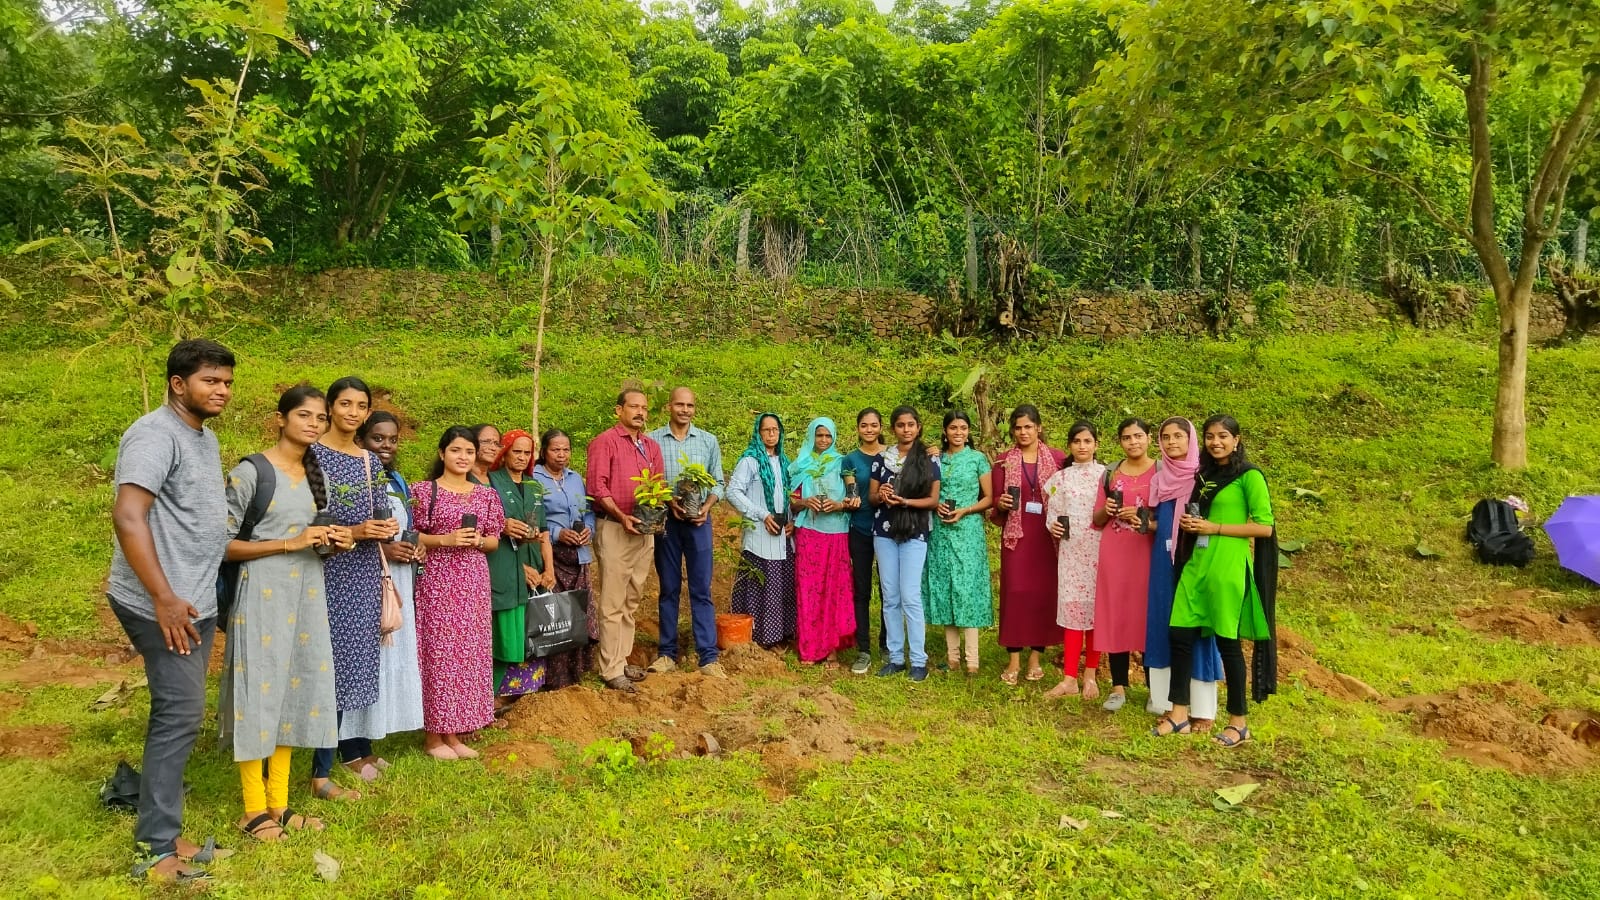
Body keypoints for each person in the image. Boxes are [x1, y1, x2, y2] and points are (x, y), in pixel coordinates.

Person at [108, 339, 236, 882]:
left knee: (179, 714)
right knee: (178, 714)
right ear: (178, 383)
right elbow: (129, 517)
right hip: (162, 603)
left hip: (194, 599)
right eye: (211, 381)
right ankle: (154, 851)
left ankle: (165, 832)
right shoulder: (154, 435)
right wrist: (162, 597)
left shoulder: (201, 436)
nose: (222, 391)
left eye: (227, 382)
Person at [219, 385, 344, 842]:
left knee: (296, 687)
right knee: (259, 693)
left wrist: (331, 540)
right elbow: (224, 545)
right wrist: (287, 543)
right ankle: (253, 809)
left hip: (307, 592)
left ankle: (280, 803)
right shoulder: (251, 472)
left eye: (320, 418)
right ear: (280, 418)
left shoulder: (318, 474)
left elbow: (314, 535)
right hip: (261, 593)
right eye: (304, 415)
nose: (314, 424)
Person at [1158, 415, 1278, 746]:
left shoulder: (1249, 476)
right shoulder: (1204, 474)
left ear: (1237, 439)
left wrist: (1216, 528)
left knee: (1228, 643)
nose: (1216, 442)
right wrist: (1192, 524)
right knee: (1179, 634)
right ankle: (1179, 714)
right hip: (1196, 564)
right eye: (1210, 436)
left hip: (1227, 566)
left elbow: (1264, 527)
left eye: (1223, 436)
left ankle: (1238, 723)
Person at [308, 377, 397, 800]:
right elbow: (305, 521)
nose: (353, 413)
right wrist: (357, 530)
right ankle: (316, 764)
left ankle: (327, 762)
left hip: (361, 573)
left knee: (351, 666)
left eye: (361, 406)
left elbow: (378, 513)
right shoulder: (311, 456)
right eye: (345, 404)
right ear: (329, 407)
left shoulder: (369, 462)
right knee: (321, 666)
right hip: (322, 572)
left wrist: (384, 528)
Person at [339, 411, 425, 769]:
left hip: (396, 578)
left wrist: (415, 547)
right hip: (362, 578)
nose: (386, 445)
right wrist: (383, 550)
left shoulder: (396, 481)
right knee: (359, 660)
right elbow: (343, 531)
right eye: (378, 438)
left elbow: (406, 527)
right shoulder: (353, 479)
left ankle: (366, 742)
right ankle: (346, 750)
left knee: (382, 660)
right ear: (360, 439)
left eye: (391, 439)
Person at [414, 426, 506, 758]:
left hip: (473, 581)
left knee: (467, 655)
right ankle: (433, 736)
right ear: (442, 454)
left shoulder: (485, 494)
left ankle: (455, 733)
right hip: (438, 581)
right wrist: (446, 540)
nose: (462, 457)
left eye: (468, 451)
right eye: (455, 450)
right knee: (439, 654)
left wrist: (478, 541)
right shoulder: (425, 491)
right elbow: (411, 535)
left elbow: (494, 538)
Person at [586, 389, 666, 693]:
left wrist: (654, 516)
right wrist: (622, 516)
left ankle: (621, 660)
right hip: (615, 529)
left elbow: (657, 487)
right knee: (612, 601)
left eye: (644, 408)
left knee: (631, 598)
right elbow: (597, 487)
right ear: (619, 410)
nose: (640, 412)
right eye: (634, 407)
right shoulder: (604, 442)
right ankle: (610, 669)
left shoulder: (651, 447)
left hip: (644, 532)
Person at [1144, 417, 1222, 726]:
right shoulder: (1159, 480)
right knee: (1163, 622)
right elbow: (1158, 522)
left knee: (1196, 628)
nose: (1172, 441)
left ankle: (1202, 708)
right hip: (1163, 561)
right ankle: (1167, 701)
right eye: (1166, 436)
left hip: (1195, 559)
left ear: (1191, 441)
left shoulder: (1204, 479)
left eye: (1179, 436)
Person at [648, 387, 728, 677]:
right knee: (668, 587)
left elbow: (718, 482)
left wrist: (706, 506)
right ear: (669, 406)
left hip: (699, 523)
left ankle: (708, 656)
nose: (685, 410)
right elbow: (651, 480)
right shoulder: (653, 440)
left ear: (695, 409)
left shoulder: (708, 441)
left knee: (701, 589)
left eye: (690, 405)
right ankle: (666, 653)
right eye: (679, 404)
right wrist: (669, 502)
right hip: (667, 523)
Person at [990, 405, 1066, 685]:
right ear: (1012, 431)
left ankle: (1035, 657)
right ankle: (1013, 659)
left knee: (1042, 595)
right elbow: (995, 504)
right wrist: (1000, 503)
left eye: (1028, 427)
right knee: (1016, 592)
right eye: (1018, 428)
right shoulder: (1003, 461)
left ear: (1039, 428)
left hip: (1047, 537)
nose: (1023, 432)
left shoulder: (1057, 459)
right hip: (1017, 538)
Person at [1088, 418, 1158, 709]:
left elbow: (1167, 516)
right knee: (1115, 614)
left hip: (1147, 551)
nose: (1133, 442)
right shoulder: (1110, 472)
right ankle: (1118, 687)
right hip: (1115, 551)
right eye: (1127, 437)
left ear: (1150, 438)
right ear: (1120, 442)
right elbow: (1097, 519)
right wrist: (1109, 509)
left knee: (1147, 616)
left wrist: (1144, 517)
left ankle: (1156, 689)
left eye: (1138, 436)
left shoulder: (1162, 471)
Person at [868, 406, 941, 682]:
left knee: (910, 596)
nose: (906, 429)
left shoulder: (928, 460)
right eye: (900, 425)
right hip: (884, 531)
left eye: (911, 424)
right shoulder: (880, 460)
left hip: (914, 532)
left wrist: (906, 502)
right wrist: (883, 494)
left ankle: (919, 660)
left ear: (919, 427)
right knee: (890, 596)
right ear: (893, 429)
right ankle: (896, 658)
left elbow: (933, 501)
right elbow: (871, 498)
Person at [922, 410, 993, 675]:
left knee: (968, 590)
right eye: (953, 428)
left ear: (969, 431)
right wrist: (937, 505)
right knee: (945, 589)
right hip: (940, 532)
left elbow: (989, 497)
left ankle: (972, 659)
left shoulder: (977, 459)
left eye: (963, 428)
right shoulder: (936, 459)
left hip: (968, 532)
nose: (958, 433)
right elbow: (927, 490)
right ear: (945, 431)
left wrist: (965, 510)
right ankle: (952, 658)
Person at [487, 429, 556, 705]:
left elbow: (543, 533)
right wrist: (522, 568)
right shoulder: (492, 482)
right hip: (509, 569)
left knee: (532, 632)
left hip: (536, 571)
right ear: (504, 453)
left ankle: (523, 693)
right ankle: (492, 697)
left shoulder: (533, 485)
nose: (522, 457)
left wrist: (548, 569)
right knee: (505, 634)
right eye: (516, 451)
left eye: (527, 452)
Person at [1042, 421, 1106, 699]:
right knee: (1072, 613)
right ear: (1069, 445)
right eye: (1077, 441)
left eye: (1087, 441)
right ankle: (1069, 678)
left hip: (1100, 551)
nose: (1082, 446)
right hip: (1070, 553)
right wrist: (1052, 526)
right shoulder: (1060, 479)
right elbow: (1052, 513)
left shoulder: (1107, 476)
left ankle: (1090, 675)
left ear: (1096, 445)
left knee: (1096, 613)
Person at [531, 429, 598, 690]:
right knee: (554, 617)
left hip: (579, 556)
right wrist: (559, 533)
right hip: (552, 555)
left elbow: (588, 511)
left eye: (566, 449)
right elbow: (534, 516)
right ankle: (552, 679)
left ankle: (576, 674)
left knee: (578, 614)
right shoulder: (533, 479)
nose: (561, 455)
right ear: (544, 452)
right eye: (555, 449)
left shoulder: (575, 479)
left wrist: (588, 530)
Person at [789, 417, 856, 669]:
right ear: (811, 437)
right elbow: (792, 502)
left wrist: (837, 504)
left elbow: (853, 499)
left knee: (834, 588)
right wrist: (805, 502)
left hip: (837, 531)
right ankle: (809, 647)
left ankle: (831, 650)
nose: (824, 440)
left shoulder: (842, 464)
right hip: (808, 532)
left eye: (829, 436)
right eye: (819, 435)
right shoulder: (800, 465)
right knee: (809, 588)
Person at [727, 413, 798, 649]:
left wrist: (792, 521)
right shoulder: (750, 461)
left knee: (782, 587)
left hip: (782, 535)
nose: (771, 434)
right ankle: (759, 637)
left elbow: (788, 497)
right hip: (760, 534)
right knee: (761, 585)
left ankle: (782, 634)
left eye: (775, 430)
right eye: (766, 430)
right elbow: (733, 491)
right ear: (758, 433)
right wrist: (761, 514)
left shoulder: (785, 462)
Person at [841, 409, 886, 675]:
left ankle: (887, 645)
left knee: (888, 590)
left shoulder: (892, 455)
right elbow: (851, 488)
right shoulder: (851, 459)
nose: (869, 430)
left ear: (881, 428)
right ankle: (863, 649)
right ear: (858, 429)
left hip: (889, 531)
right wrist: (852, 499)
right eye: (864, 426)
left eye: (874, 425)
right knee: (862, 590)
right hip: (859, 529)